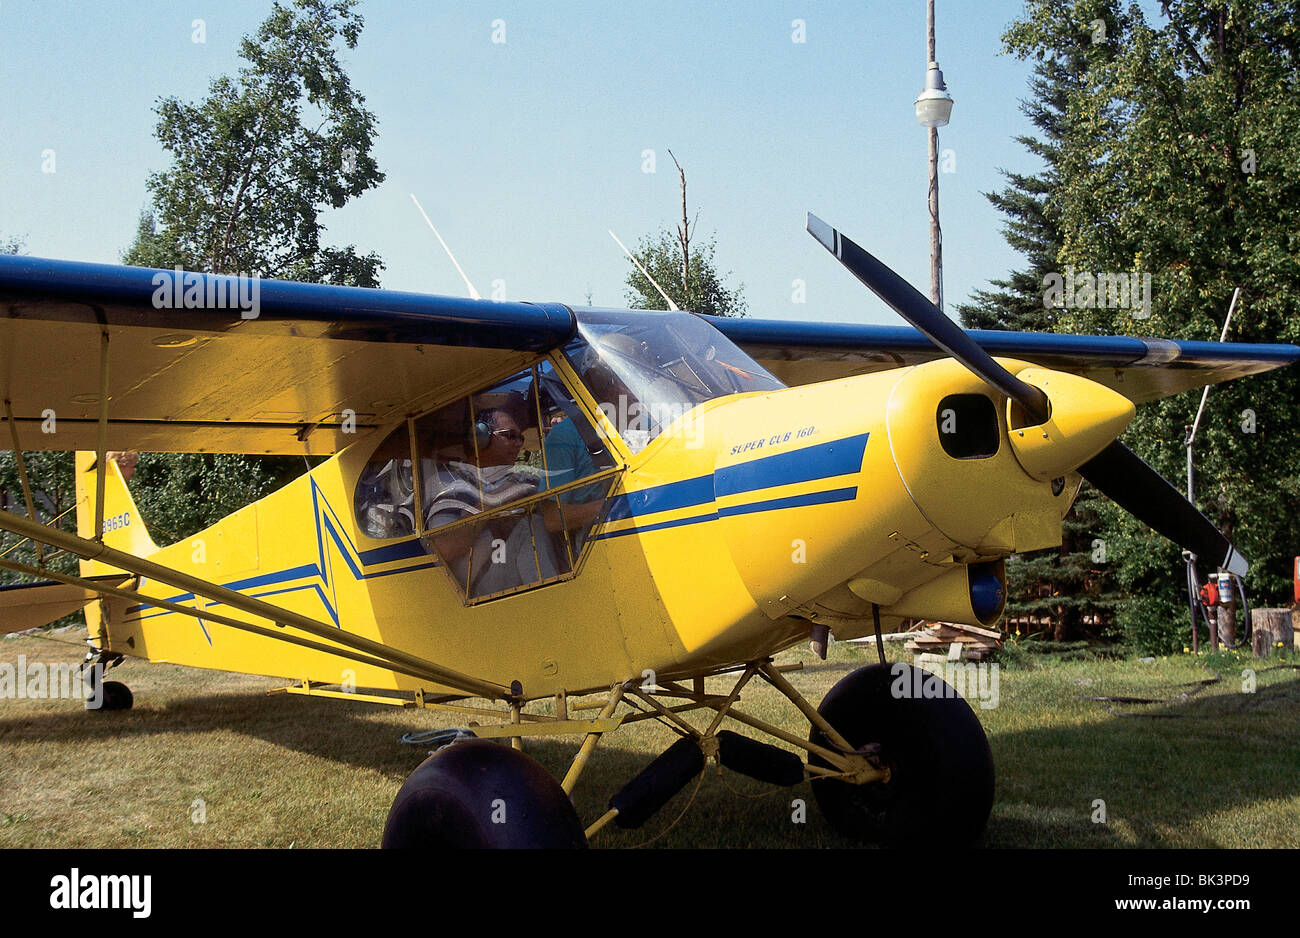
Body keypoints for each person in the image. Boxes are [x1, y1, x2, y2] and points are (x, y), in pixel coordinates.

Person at [423, 407, 561, 598]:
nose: (519, 444)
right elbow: (444, 548)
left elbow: (558, 515)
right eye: (511, 436)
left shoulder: (520, 477)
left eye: (521, 438)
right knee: (531, 526)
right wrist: (495, 500)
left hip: (507, 565)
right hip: (475, 583)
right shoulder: (449, 482)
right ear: (480, 438)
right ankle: (554, 599)